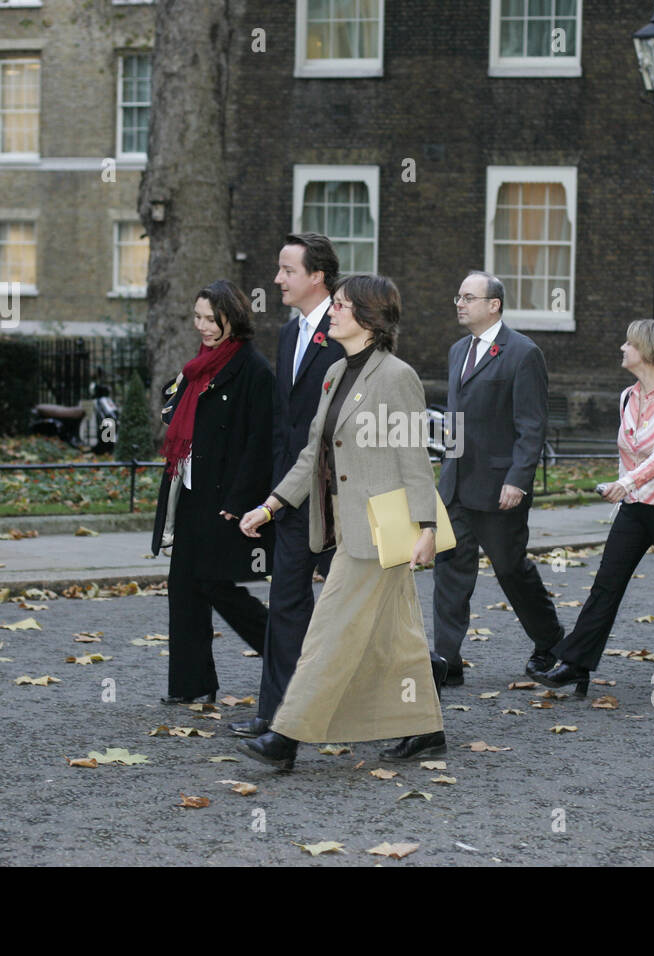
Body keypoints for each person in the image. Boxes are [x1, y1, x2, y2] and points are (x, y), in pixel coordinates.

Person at [237, 273, 445, 770]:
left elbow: (413, 456)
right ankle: (425, 728)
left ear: (369, 319)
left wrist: (428, 528)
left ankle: (285, 736)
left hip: (380, 529)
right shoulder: (335, 373)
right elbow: (313, 455)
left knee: (327, 632)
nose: (332, 311)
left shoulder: (397, 376)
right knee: (398, 638)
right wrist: (270, 506)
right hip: (342, 525)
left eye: (343, 305)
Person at [534, 319, 654, 695]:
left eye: (629, 342)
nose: (622, 348)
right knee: (606, 585)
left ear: (649, 351)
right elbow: (628, 454)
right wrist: (625, 493)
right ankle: (575, 664)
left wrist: (625, 484)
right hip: (635, 507)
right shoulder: (626, 397)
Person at [229, 233, 345, 738]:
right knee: (288, 602)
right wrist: (273, 494)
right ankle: (274, 712)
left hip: (338, 501)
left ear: (316, 276)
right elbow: (284, 422)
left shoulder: (346, 333)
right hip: (292, 497)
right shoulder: (287, 333)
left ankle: (418, 678)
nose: (277, 279)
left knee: (365, 609)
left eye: (286, 270)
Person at [432, 270, 564, 686]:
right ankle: (445, 660)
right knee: (449, 569)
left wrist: (518, 480)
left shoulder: (523, 353)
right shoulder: (457, 351)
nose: (460, 303)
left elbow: (531, 426)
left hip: (499, 488)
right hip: (456, 485)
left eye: (469, 297)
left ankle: (552, 643)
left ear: (494, 305)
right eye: (458, 296)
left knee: (511, 570)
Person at [151, 280, 274, 704]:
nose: (202, 326)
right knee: (184, 589)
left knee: (218, 586)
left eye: (211, 319)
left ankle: (291, 659)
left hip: (223, 499)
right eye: (197, 317)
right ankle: (191, 686)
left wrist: (239, 502)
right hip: (189, 493)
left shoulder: (252, 370)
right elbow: (179, 412)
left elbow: (260, 443)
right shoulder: (199, 366)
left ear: (232, 319)